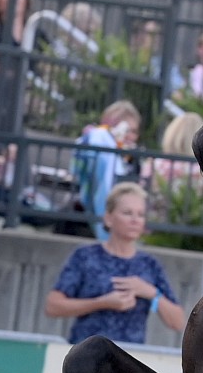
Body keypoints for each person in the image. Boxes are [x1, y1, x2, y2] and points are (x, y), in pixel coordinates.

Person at [46, 182, 185, 343]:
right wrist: (101, 303)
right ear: (108, 218)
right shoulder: (85, 256)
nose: (135, 220)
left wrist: (151, 293)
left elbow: (178, 322)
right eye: (127, 213)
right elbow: (53, 306)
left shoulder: (150, 265)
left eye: (140, 215)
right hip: (86, 354)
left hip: (129, 359)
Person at [74, 99, 150, 235]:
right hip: (87, 215)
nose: (129, 136)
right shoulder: (96, 147)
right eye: (124, 130)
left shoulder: (135, 159)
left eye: (133, 131)